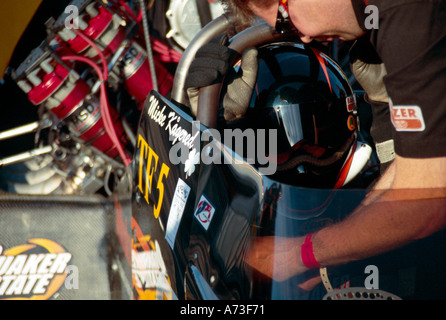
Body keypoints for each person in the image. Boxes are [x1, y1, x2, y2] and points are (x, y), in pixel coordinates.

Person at [186, 0, 446, 291]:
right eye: (278, 147)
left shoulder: (402, 11)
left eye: (285, 16)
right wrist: (215, 136)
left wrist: (298, 257)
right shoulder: (385, 17)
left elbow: (423, 205)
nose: (305, 35)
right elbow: (413, 182)